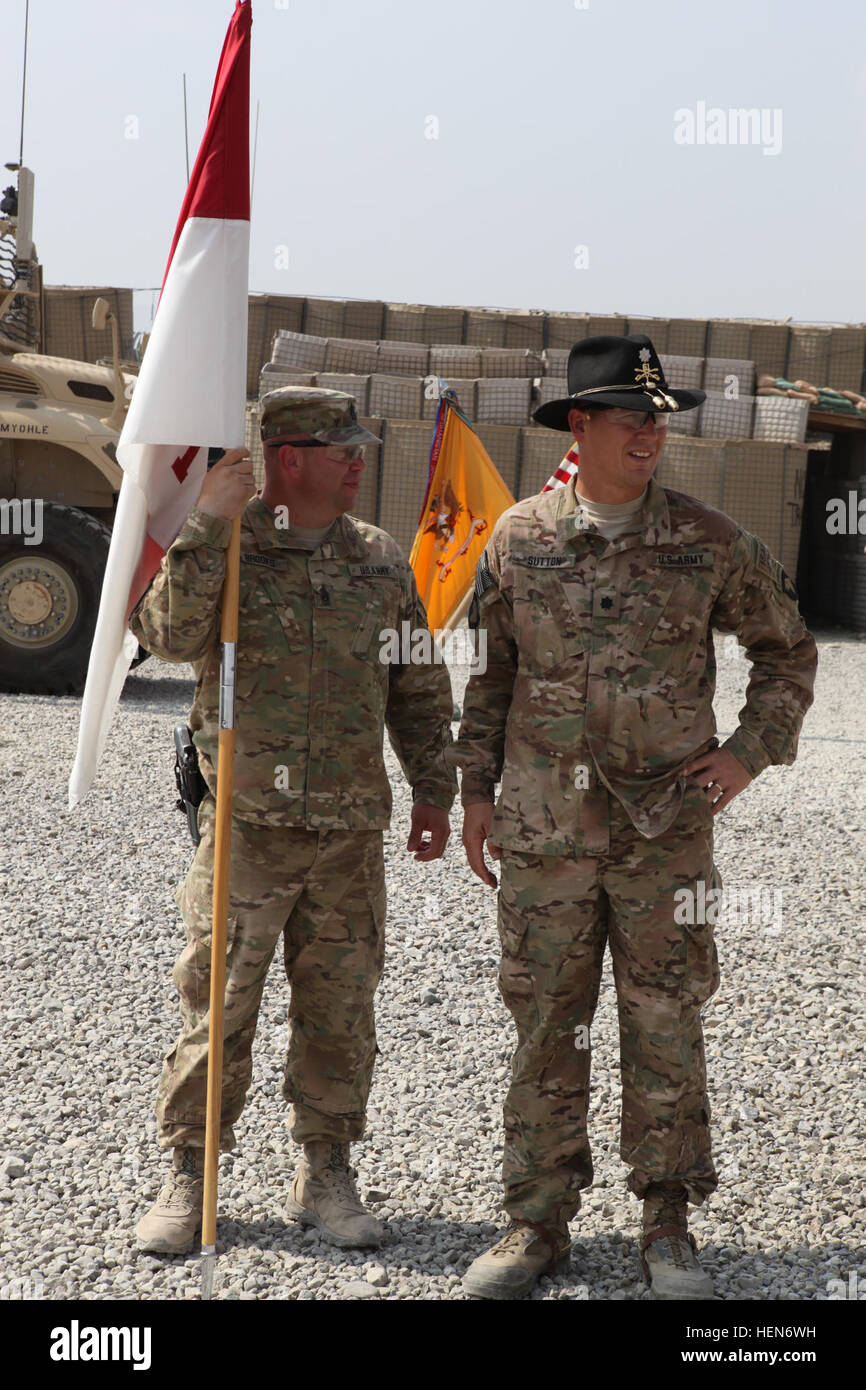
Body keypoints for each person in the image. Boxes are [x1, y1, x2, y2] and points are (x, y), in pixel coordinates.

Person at [449, 335, 818, 1300]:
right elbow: (489, 677)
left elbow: (788, 651)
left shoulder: (707, 540)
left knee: (665, 1022)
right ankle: (536, 1222)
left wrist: (747, 753)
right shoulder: (520, 538)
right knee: (546, 1026)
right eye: (629, 419)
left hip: (666, 834)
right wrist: (476, 792)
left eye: (657, 420)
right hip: (545, 833)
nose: (650, 435)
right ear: (580, 425)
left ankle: (668, 1221)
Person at [132, 387, 456, 1254]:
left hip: (349, 835)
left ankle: (326, 1172)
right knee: (218, 1007)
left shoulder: (380, 560)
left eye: (358, 449)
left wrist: (435, 789)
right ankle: (191, 1169)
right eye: (342, 450)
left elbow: (418, 683)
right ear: (290, 459)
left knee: (340, 1011)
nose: (358, 463)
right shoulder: (230, 544)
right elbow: (164, 635)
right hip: (247, 829)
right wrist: (207, 523)